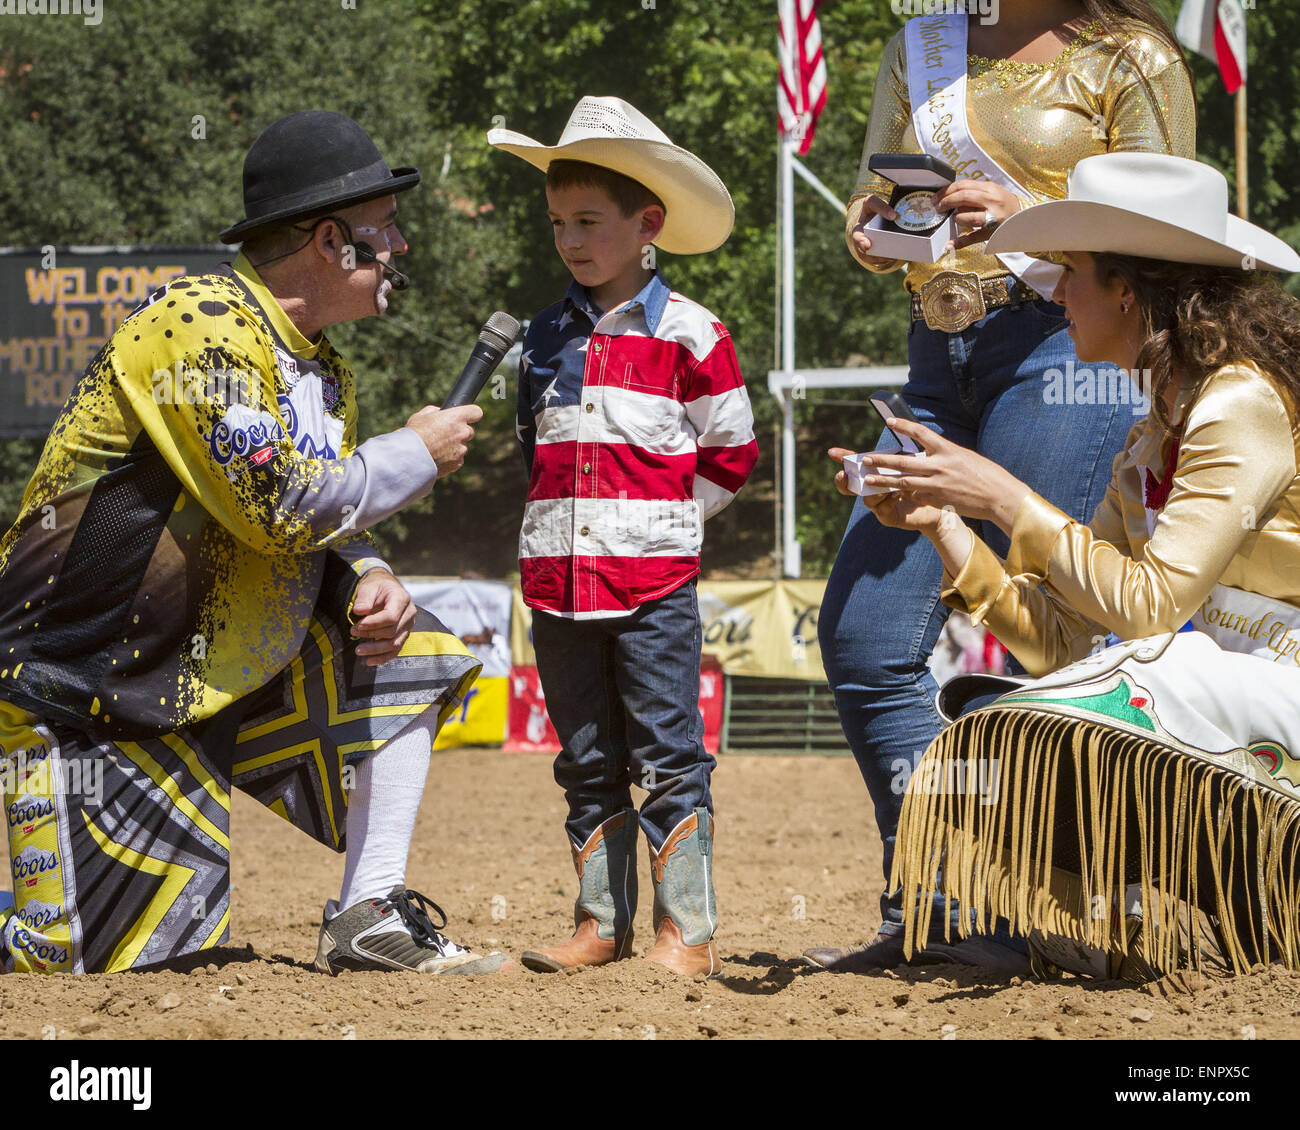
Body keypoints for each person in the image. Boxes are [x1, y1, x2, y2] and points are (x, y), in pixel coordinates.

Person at [0, 110, 511, 977]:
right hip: (81, 691)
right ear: (330, 240)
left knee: (410, 646)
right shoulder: (198, 326)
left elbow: (304, 518)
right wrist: (413, 452)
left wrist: (367, 572)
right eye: (386, 227)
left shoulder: (320, 365)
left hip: (196, 671)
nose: (403, 246)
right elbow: (276, 506)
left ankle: (368, 913)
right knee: (75, 967)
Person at [843, 152, 1300, 978]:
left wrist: (1005, 499)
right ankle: (1227, 907)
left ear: (1129, 288)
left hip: (1276, 703)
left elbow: (1149, 611)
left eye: (1070, 271)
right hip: (1243, 715)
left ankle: (1185, 911)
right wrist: (949, 521)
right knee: (1001, 716)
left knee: (1087, 702)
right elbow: (1067, 647)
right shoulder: (1156, 429)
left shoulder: (1238, 401)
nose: (1053, 292)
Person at [809, 0, 1196, 972]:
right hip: (936, 354)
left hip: (1073, 350)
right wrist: (877, 225)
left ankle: (1094, 907)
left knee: (1052, 642)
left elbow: (1175, 242)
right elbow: (870, 206)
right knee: (862, 635)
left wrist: (1037, 224)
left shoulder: (1131, 58)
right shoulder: (919, 47)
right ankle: (941, 909)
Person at [488, 97, 758, 977]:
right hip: (558, 587)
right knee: (587, 756)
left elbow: (733, 451)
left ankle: (690, 934)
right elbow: (536, 448)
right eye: (558, 222)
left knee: (669, 753)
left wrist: (669, 527)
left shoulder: (693, 334)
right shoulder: (539, 340)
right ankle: (600, 925)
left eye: (589, 222)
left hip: (654, 590)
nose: (570, 239)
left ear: (648, 224)